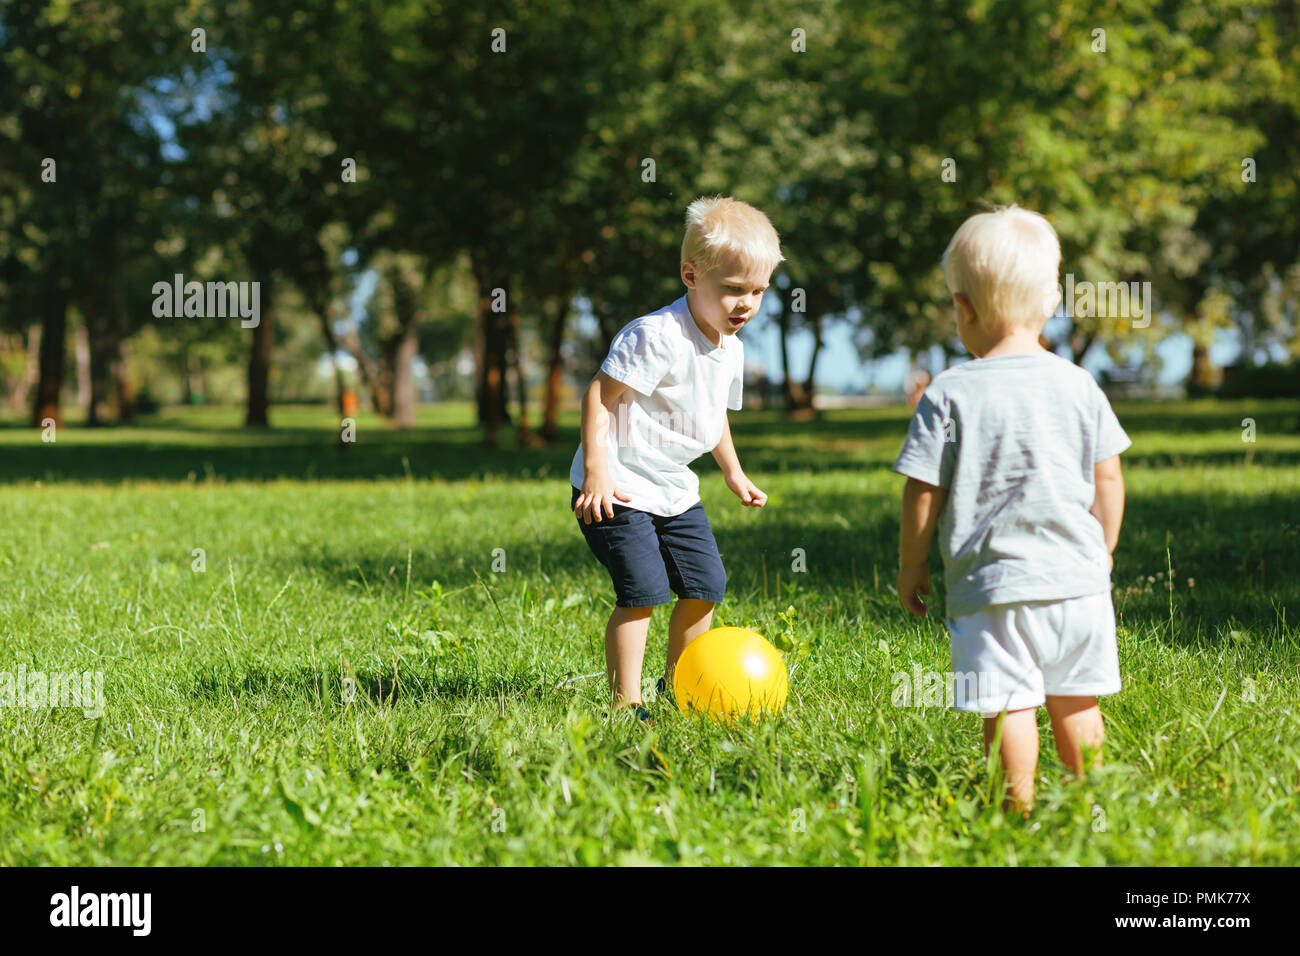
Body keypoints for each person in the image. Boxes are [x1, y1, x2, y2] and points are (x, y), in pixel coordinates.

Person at [892, 205, 1130, 812]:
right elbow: (1108, 474)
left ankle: (1015, 811)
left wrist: (912, 566)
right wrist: (1101, 549)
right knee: (1078, 701)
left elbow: (923, 489)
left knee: (1009, 705)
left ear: (963, 309)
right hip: (1078, 584)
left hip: (993, 589)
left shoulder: (949, 391)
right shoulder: (1079, 384)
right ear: (1052, 300)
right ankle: (1091, 808)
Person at [570, 196, 781, 720]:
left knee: (705, 584)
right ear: (691, 275)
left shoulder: (730, 347)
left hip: (673, 488)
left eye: (757, 291)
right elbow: (599, 395)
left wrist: (732, 471)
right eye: (732, 289)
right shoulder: (656, 336)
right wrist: (597, 469)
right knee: (642, 591)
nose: (746, 304)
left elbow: (712, 416)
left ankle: (679, 684)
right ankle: (627, 703)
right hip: (615, 485)